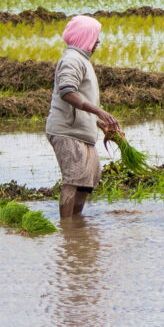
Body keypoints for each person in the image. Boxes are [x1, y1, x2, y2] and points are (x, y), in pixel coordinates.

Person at [45, 15, 119, 219]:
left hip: (82, 133)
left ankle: (76, 228)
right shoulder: (72, 59)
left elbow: (83, 98)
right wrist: (98, 111)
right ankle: (67, 230)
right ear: (85, 37)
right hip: (67, 132)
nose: (98, 42)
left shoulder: (82, 61)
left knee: (86, 183)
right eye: (95, 37)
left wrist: (99, 122)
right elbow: (67, 91)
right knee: (73, 181)